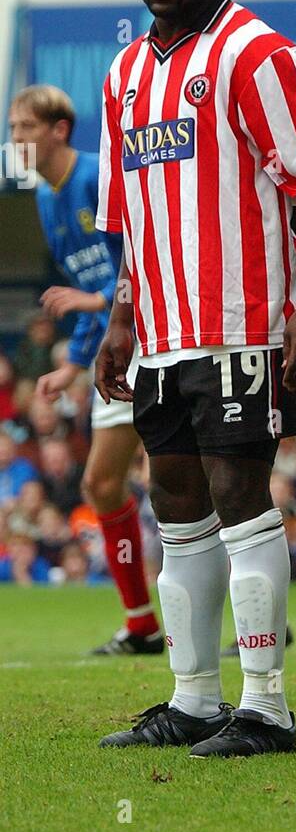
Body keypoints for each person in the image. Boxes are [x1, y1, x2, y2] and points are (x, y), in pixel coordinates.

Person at [94, 0, 296, 758]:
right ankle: (194, 697)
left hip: (244, 324)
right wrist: (122, 316)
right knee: (176, 506)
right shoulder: (124, 76)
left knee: (240, 496)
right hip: (161, 332)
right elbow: (129, 210)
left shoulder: (260, 56)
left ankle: (266, 706)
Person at [9, 84, 163, 655]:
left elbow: (146, 259)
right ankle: (141, 625)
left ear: (59, 130)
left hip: (160, 337)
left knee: (203, 485)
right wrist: (73, 365)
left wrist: (96, 305)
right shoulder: (48, 198)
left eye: (24, 128)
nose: (16, 139)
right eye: (12, 129)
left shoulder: (99, 177)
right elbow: (86, 286)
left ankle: (263, 613)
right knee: (100, 484)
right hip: (116, 350)